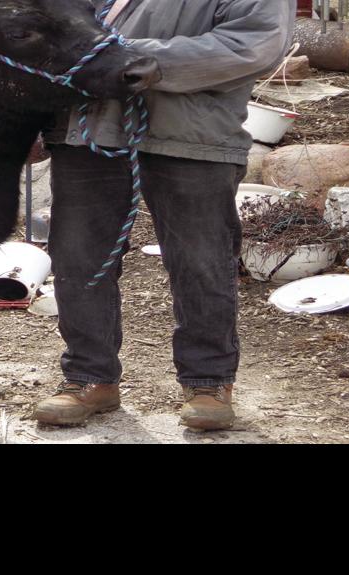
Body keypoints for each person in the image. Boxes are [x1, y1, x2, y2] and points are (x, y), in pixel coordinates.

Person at [35, 0, 294, 431]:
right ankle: (88, 378)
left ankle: (208, 382)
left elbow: (254, 42)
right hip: (88, 132)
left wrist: (144, 59)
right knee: (78, 259)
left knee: (201, 261)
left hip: (192, 135)